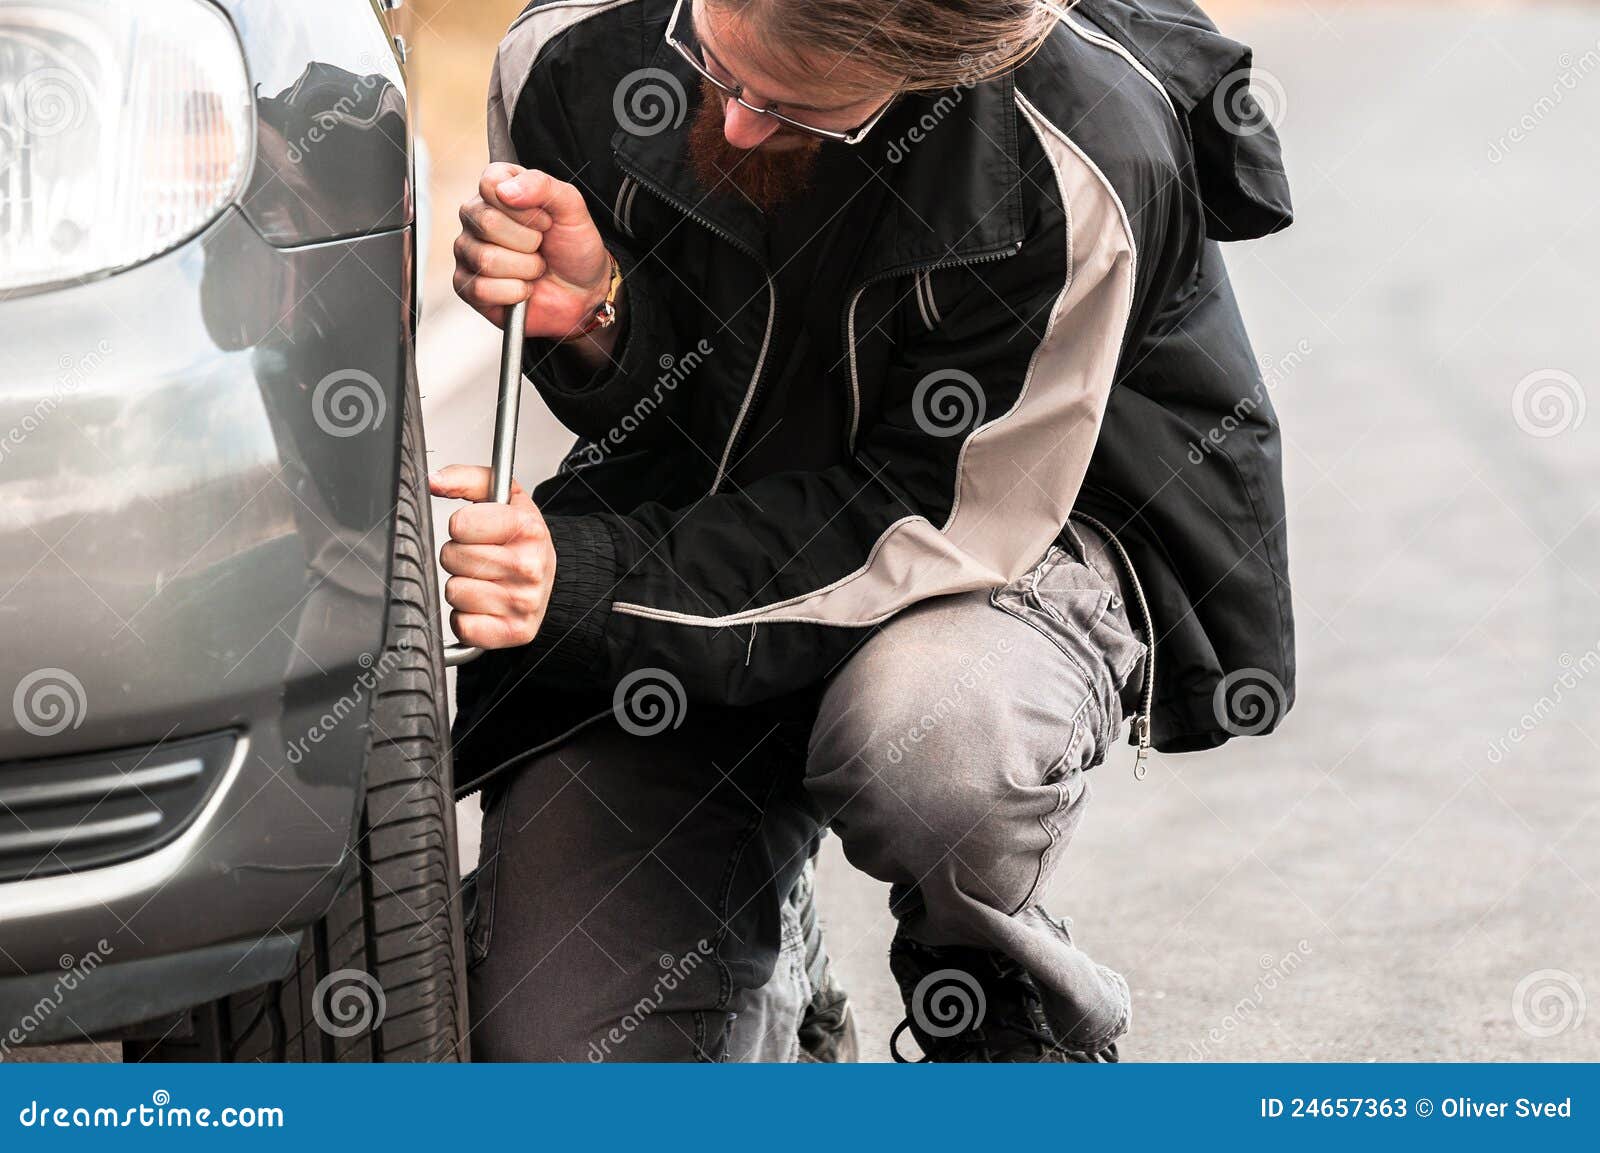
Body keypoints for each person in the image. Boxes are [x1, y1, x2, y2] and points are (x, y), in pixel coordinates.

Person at [433, 0, 1295, 1061]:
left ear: (937, 75)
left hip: (993, 561)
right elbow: (673, 416)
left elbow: (928, 520)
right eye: (716, 63)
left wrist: (588, 584)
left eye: (795, 107)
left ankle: (992, 999)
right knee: (569, 1068)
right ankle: (775, 945)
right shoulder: (565, 52)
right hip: (700, 540)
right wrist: (602, 317)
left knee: (933, 743)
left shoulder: (1079, 158)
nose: (737, 122)